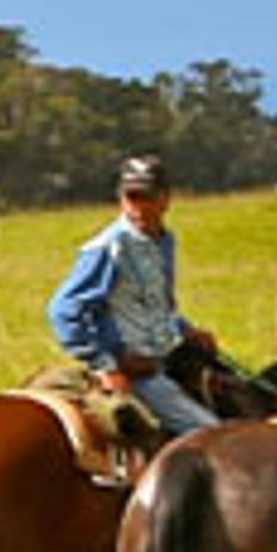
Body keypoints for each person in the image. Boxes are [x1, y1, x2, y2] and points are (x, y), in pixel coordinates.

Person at [47, 155, 221, 435]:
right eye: (131, 197)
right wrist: (107, 365)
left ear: (166, 199)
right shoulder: (108, 249)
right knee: (210, 433)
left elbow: (156, 303)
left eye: (147, 197)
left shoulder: (164, 241)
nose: (138, 206)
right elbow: (63, 311)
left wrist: (187, 330)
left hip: (165, 357)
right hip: (139, 374)